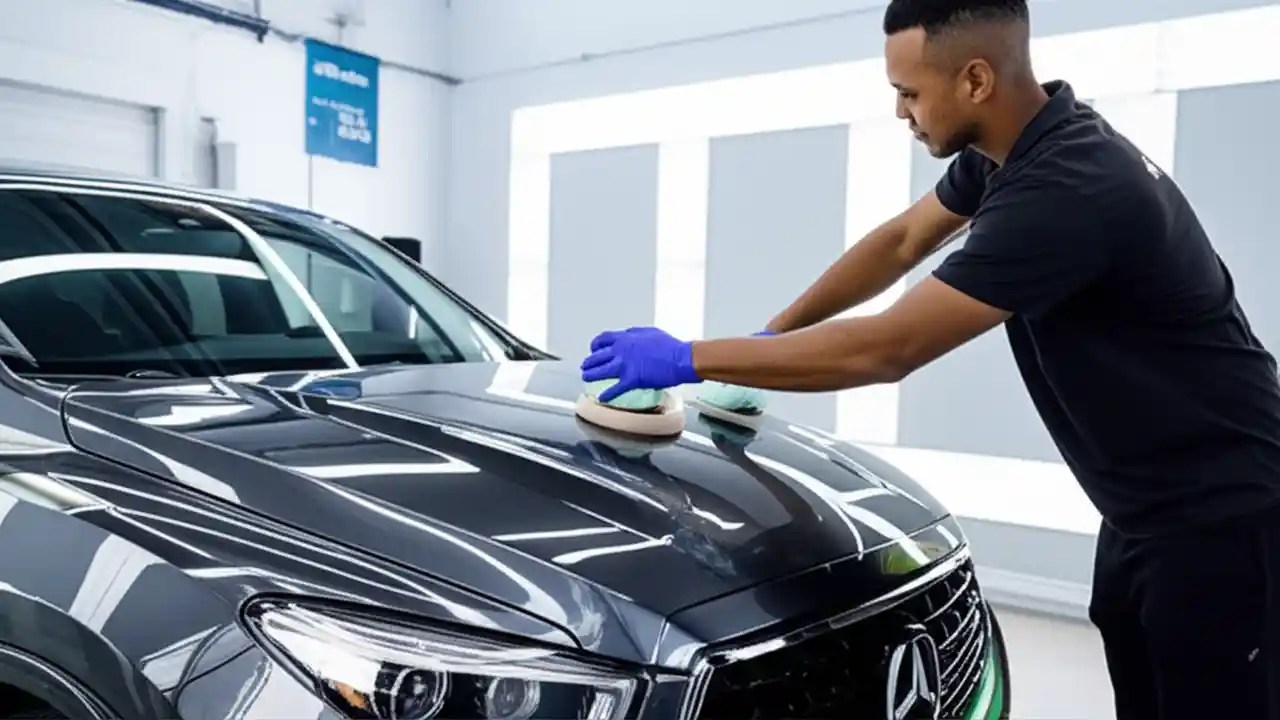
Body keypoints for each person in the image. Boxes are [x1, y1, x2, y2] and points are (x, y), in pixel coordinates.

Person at [580, 0, 1280, 718]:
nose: (900, 113)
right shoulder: (1016, 151)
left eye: (909, 93)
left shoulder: (1071, 188)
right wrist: (770, 335)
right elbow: (902, 241)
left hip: (1226, 516)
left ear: (975, 80)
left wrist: (693, 359)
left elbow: (889, 348)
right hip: (1143, 508)